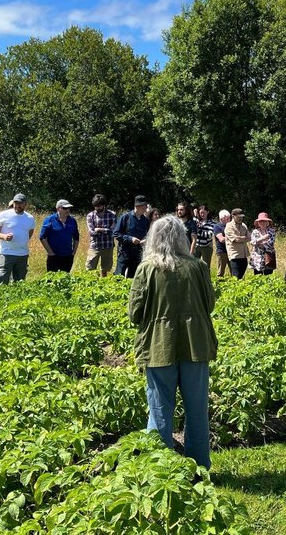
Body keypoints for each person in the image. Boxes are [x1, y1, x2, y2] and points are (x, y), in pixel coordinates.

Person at [128, 215, 217, 470]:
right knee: (197, 410)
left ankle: (160, 471)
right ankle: (199, 469)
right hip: (195, 344)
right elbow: (209, 304)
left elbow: (135, 313)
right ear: (181, 238)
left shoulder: (146, 269)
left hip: (159, 346)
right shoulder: (198, 266)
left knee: (159, 411)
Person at [0, 193, 36, 284]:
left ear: (25, 204)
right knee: (2, 281)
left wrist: (21, 242)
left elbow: (29, 233)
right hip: (7, 253)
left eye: (20, 203)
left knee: (19, 283)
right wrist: (4, 236)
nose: (17, 205)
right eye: (15, 203)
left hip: (23, 255)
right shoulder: (3, 215)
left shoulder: (30, 218)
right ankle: (1, 297)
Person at [113, 195, 151, 278]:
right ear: (138, 206)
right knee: (119, 276)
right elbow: (116, 234)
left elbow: (147, 235)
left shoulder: (146, 221)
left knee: (134, 276)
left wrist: (145, 240)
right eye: (145, 205)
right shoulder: (125, 217)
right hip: (124, 251)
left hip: (138, 252)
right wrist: (131, 239)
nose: (147, 208)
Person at [40, 199, 80, 273]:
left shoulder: (72, 220)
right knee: (52, 281)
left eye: (69, 208)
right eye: (65, 208)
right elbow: (42, 237)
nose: (67, 210)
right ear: (58, 208)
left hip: (68, 256)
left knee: (65, 279)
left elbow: (76, 237)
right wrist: (50, 253)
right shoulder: (49, 220)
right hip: (54, 256)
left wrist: (73, 252)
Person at [85, 194, 116, 277]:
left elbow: (113, 231)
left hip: (108, 245)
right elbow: (91, 232)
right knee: (90, 268)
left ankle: (103, 283)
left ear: (104, 205)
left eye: (99, 206)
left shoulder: (112, 214)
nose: (97, 208)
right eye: (95, 206)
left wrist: (98, 229)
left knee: (105, 269)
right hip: (95, 245)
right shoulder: (90, 215)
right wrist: (105, 230)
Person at [224, 208, 250, 279]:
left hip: (244, 255)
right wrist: (244, 238)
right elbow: (236, 239)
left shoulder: (244, 225)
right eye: (239, 217)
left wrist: (241, 238)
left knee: (241, 278)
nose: (241, 218)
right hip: (235, 256)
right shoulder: (229, 226)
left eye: (242, 217)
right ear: (233, 216)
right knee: (236, 277)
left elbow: (249, 238)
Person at [213, 210, 230, 277]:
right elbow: (221, 239)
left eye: (229, 218)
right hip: (222, 251)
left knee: (234, 270)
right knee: (221, 271)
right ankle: (219, 285)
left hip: (231, 250)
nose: (229, 220)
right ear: (222, 218)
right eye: (227, 218)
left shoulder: (230, 226)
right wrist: (232, 238)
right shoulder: (217, 227)